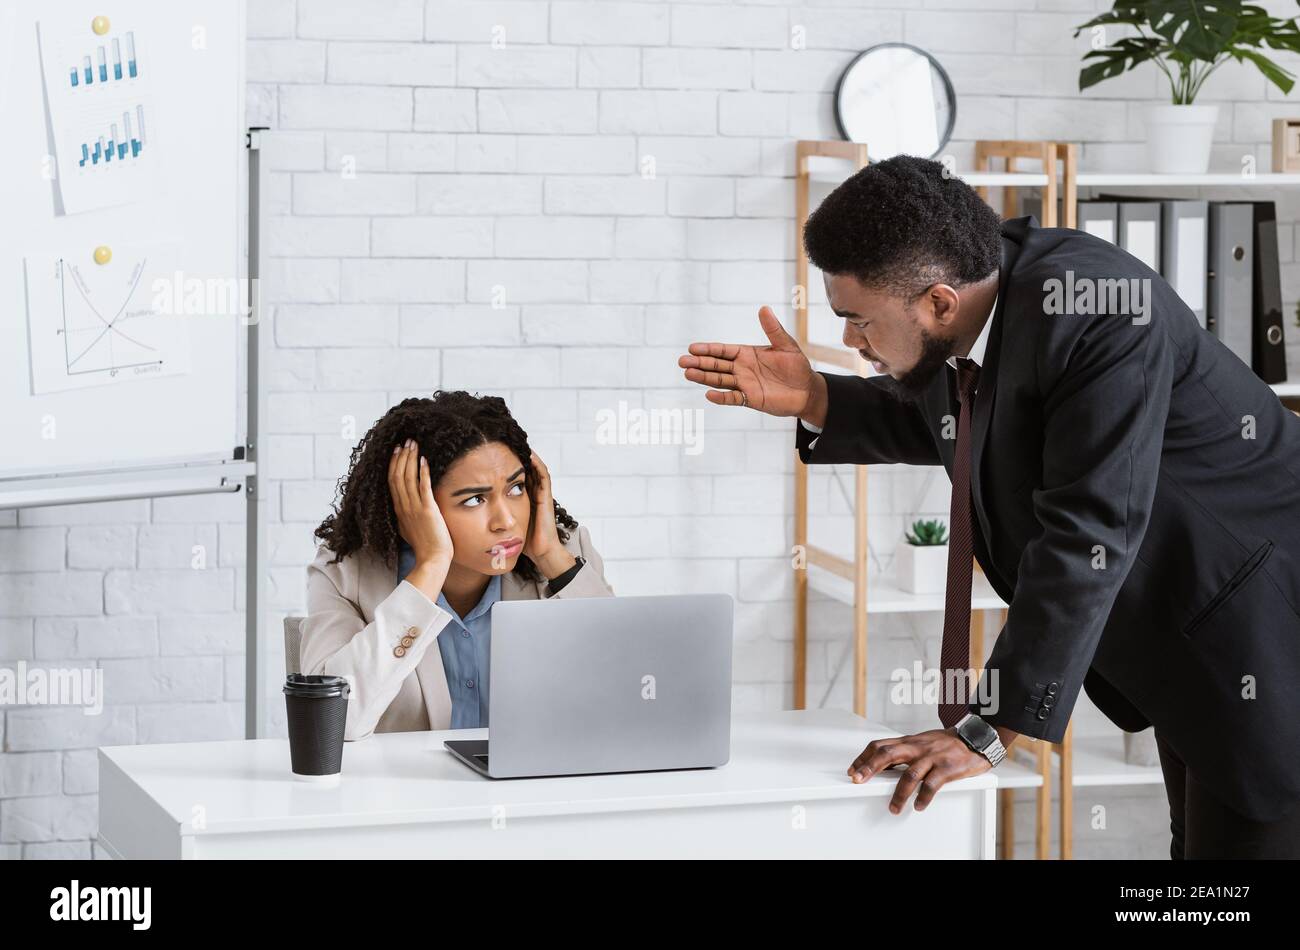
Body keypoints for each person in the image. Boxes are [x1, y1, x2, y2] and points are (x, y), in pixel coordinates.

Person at [678, 154, 1300, 858]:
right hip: (1193, 627)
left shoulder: (1099, 311)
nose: (851, 343)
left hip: (1263, 625)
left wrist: (990, 728)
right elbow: (965, 418)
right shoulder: (985, 292)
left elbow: (1088, 527)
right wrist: (818, 398)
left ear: (939, 302)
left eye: (858, 322)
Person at [300, 391, 614, 740]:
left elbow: (622, 692)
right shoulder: (346, 574)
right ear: (414, 506)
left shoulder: (564, 555)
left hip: (531, 792)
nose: (506, 521)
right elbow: (328, 722)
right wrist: (431, 566)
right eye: (475, 499)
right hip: (410, 791)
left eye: (516, 488)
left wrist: (552, 560)